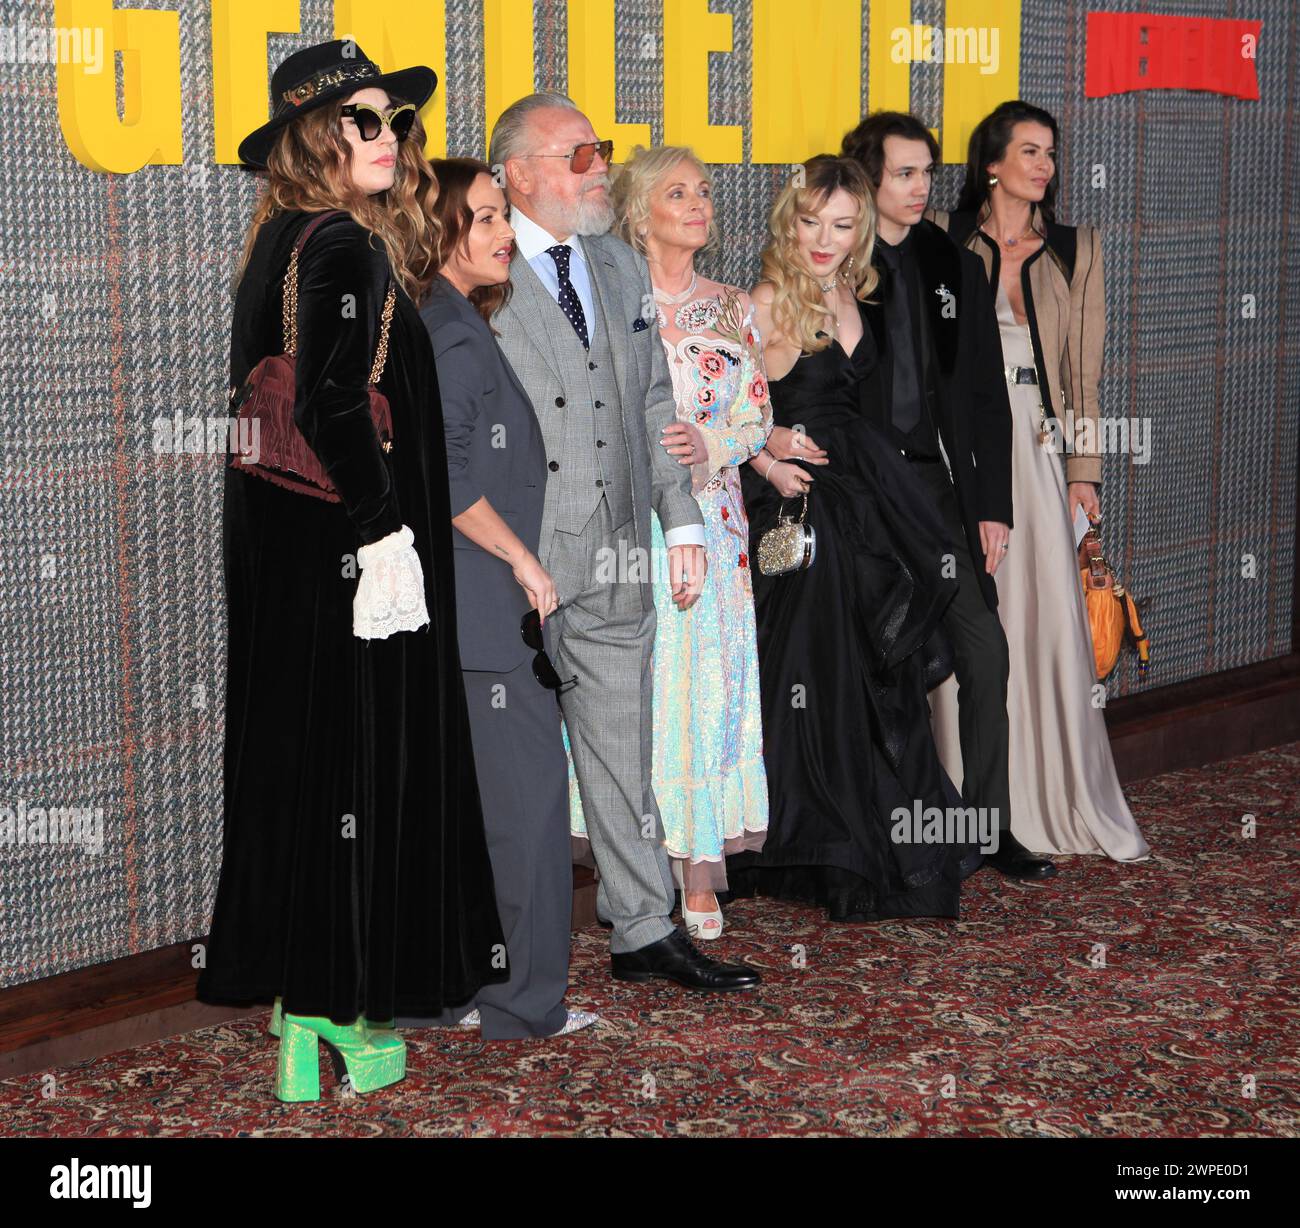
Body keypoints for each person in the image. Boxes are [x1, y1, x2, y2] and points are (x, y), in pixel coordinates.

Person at [197, 41, 508, 1102]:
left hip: (290, 556)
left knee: (311, 768)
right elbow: (331, 406)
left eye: (392, 121)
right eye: (360, 121)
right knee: (356, 773)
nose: (385, 138)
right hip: (347, 557)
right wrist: (382, 536)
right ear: (313, 139)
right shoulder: (346, 249)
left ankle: (302, 1014)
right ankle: (328, 1007)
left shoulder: (280, 240)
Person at [487, 93, 760, 989]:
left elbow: (651, 403)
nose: (600, 167)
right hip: (509, 565)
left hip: (617, 553)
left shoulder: (615, 263)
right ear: (519, 173)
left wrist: (680, 518)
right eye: (579, 155)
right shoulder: (474, 271)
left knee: (621, 744)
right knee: (502, 765)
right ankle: (487, 947)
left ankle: (643, 929)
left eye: (600, 153)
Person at [727, 155, 982, 922]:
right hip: (798, 504)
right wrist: (771, 457)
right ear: (788, 220)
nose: (824, 240)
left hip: (858, 487)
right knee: (819, 675)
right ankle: (821, 846)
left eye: (842, 226)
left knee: (875, 670)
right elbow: (728, 413)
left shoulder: (848, 290)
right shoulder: (765, 300)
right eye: (811, 222)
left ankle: (875, 834)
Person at [392, 157, 598, 1038]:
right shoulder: (451, 331)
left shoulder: (445, 320)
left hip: (467, 617)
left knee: (477, 817)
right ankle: (523, 1005)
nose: (506, 234)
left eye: (503, 217)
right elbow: (444, 474)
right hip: (484, 615)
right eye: (484, 219)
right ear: (441, 233)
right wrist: (524, 560)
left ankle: (467, 992)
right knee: (529, 814)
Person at [926, 101, 1149, 861]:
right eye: (1029, 150)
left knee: (1048, 623)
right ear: (991, 162)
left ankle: (1054, 796)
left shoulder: (1076, 250)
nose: (1045, 165)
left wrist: (1084, 473)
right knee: (977, 625)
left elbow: (1084, 376)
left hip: (1043, 450)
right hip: (964, 453)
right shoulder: (945, 244)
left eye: (1051, 153)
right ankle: (971, 805)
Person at [839, 110, 1057, 880]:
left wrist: (990, 503)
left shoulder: (952, 264)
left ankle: (987, 829)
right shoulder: (836, 264)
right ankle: (881, 834)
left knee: (985, 654)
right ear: (866, 179)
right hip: (860, 494)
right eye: (903, 172)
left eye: (927, 172)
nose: (920, 186)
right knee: (877, 664)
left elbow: (984, 397)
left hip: (934, 492)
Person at [563, 145, 771, 940]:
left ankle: (699, 872)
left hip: (714, 527)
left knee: (708, 692)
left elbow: (757, 416)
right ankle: (636, 875)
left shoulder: (732, 308)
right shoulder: (607, 299)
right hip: (628, 526)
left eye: (705, 191)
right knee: (640, 693)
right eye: (677, 192)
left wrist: (714, 446)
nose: (699, 204)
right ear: (638, 210)